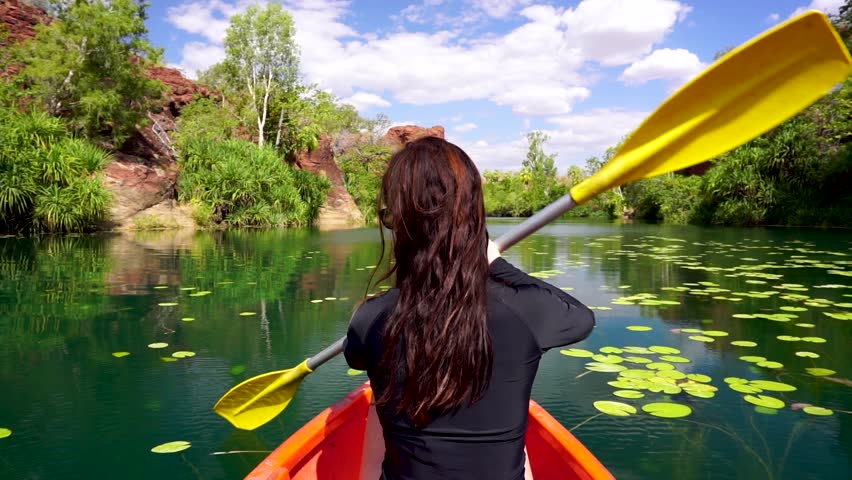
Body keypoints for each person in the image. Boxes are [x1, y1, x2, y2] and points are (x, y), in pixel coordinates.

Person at [344, 136, 595, 480]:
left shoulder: (368, 319)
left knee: (378, 404)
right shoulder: (525, 312)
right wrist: (495, 262)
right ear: (474, 215)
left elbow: (356, 355)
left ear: (401, 223)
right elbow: (580, 317)